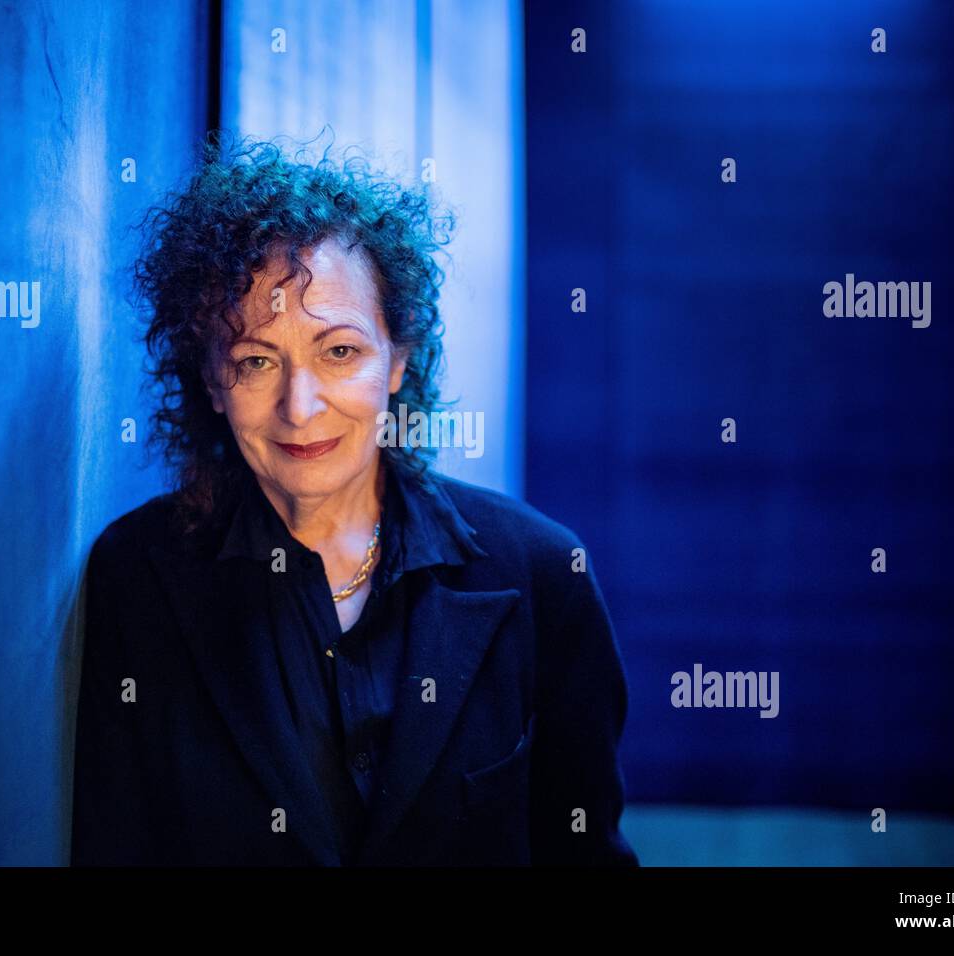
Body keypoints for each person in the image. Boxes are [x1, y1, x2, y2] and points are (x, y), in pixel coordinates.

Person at [69, 134, 638, 866]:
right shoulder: (140, 573)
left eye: (339, 352)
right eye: (255, 361)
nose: (299, 406)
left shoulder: (540, 572)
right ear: (211, 382)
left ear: (397, 361)